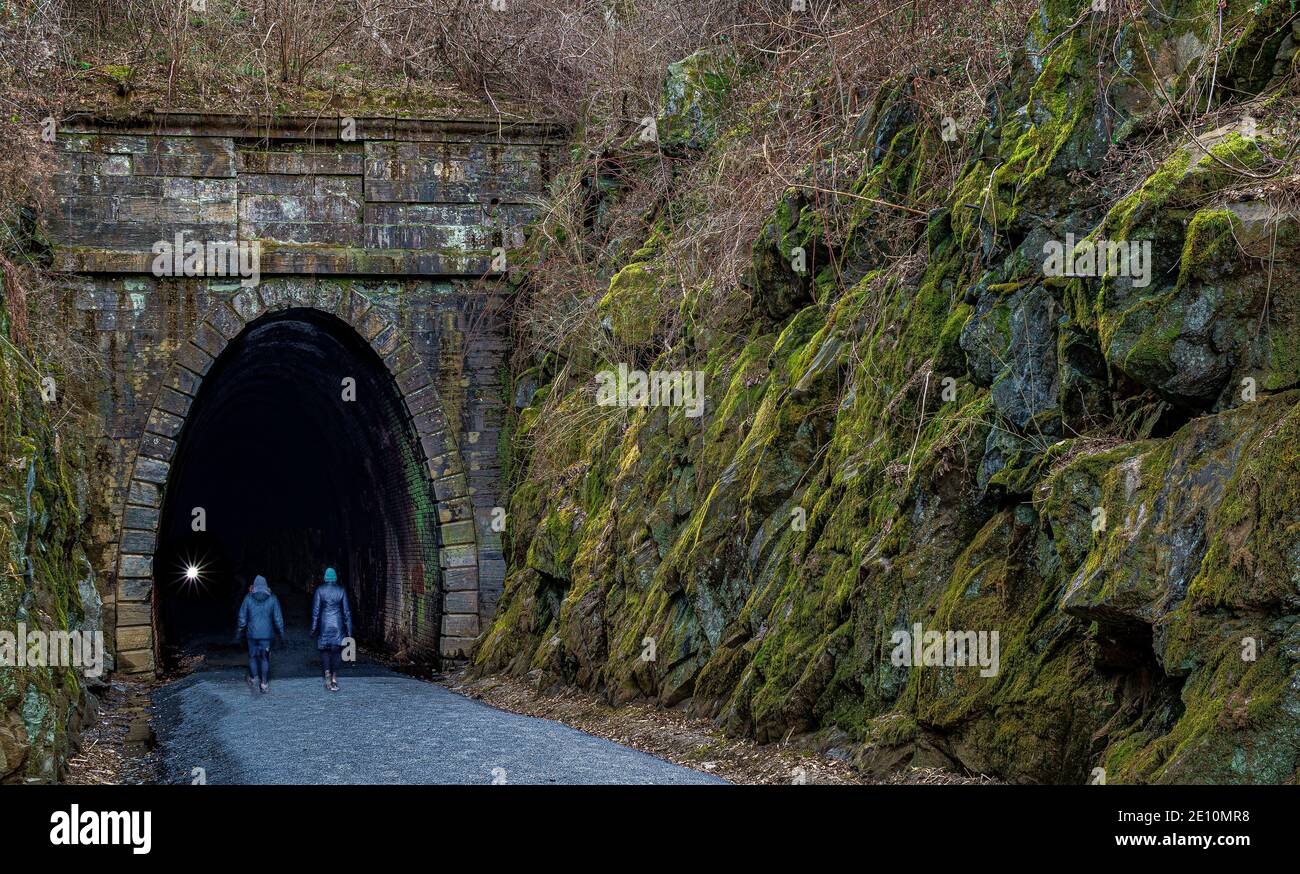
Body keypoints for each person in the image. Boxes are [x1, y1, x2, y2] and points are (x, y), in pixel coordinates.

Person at [236, 575, 285, 693]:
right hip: (267, 635)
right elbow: (278, 618)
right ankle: (264, 684)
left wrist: (240, 629)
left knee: (252, 656)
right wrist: (281, 631)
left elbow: (242, 617)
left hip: (252, 635)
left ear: (254, 585)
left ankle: (253, 678)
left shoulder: (248, 598)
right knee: (264, 658)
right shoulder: (273, 598)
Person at [311, 567, 352, 692]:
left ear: (325, 578)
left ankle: (327, 674)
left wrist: (313, 628)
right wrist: (349, 631)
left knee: (325, 650)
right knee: (336, 651)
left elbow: (316, 611)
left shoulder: (320, 590)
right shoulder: (341, 590)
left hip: (324, 624)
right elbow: (346, 612)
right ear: (335, 578)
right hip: (338, 625)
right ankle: (334, 678)